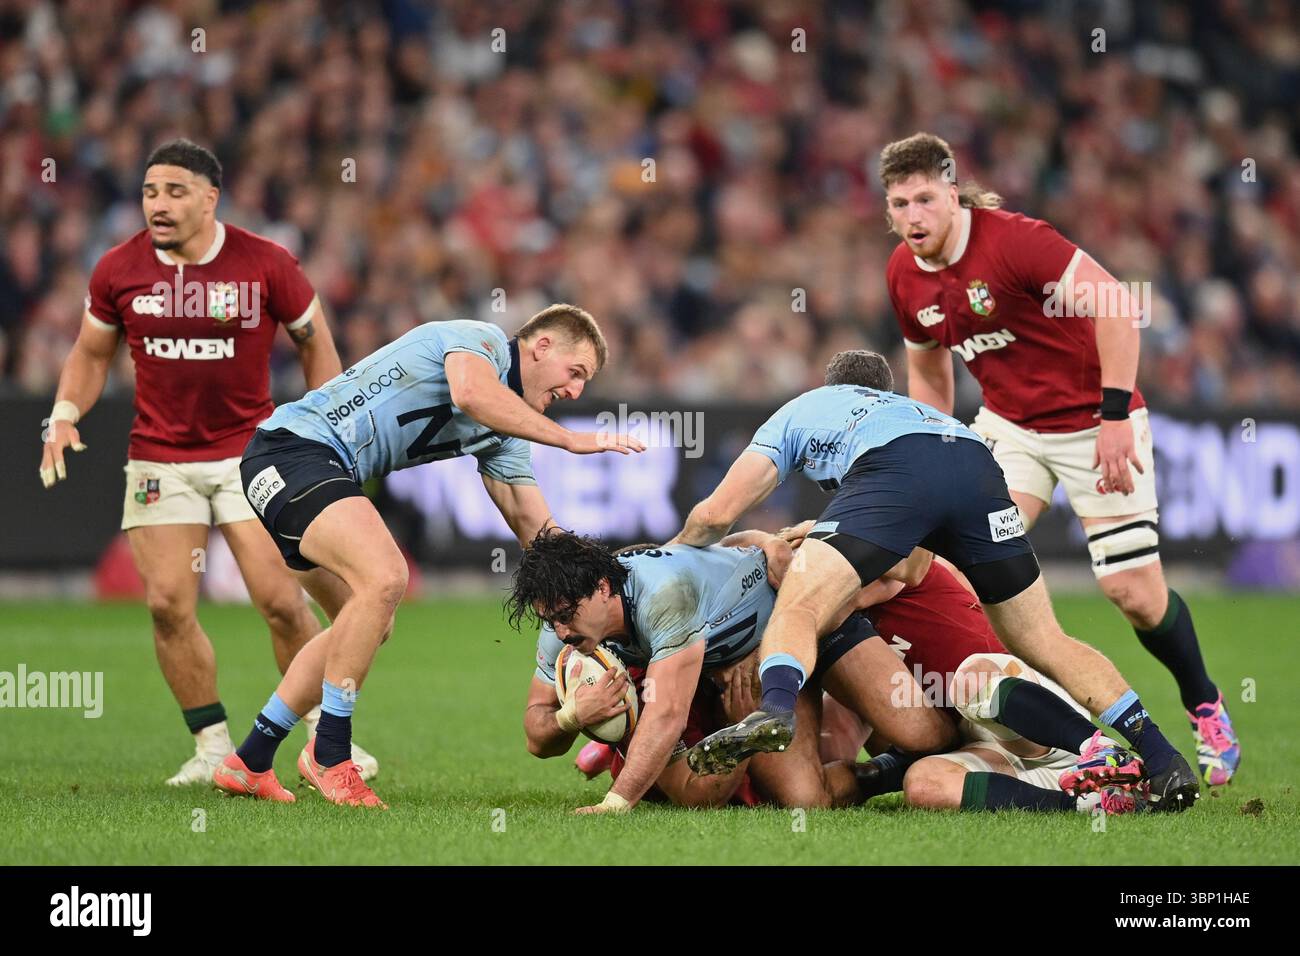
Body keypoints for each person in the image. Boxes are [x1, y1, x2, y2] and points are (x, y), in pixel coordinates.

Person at [673, 349, 1200, 811]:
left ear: (833, 390)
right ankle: (1154, 754)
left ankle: (775, 710)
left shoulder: (804, 412)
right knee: (1041, 640)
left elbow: (715, 514)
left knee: (799, 609)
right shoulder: (916, 414)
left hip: (995, 685)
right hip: (976, 460)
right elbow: (912, 561)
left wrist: (670, 556)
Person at [882, 131, 1238, 786]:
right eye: (900, 204)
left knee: (1131, 593)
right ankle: (1039, 735)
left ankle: (1204, 700)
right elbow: (929, 372)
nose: (913, 217)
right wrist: (933, 451)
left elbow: (1118, 309)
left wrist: (1112, 417)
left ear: (953, 195)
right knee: (968, 569)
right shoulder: (904, 274)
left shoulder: (1016, 242)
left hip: (1092, 419)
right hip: (1010, 428)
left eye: (925, 199)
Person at [36, 138, 381, 786]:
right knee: (167, 603)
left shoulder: (266, 263)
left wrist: (327, 427)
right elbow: (89, 355)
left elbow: (316, 343)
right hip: (159, 458)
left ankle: (325, 736)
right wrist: (62, 415)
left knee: (280, 600)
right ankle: (210, 744)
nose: (157, 205)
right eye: (148, 192)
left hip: (251, 455)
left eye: (173, 192)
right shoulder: (118, 270)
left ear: (209, 199)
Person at [213, 305, 643, 807]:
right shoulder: (478, 340)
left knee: (368, 618)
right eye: (576, 373)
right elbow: (471, 394)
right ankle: (330, 754)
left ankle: (250, 758)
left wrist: (598, 615)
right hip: (292, 453)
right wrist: (569, 440)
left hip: (301, 475)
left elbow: (541, 537)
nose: (575, 392)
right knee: (386, 577)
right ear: (541, 346)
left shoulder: (504, 436)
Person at [510, 531, 953, 813]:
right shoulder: (565, 629)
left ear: (602, 588)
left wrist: (616, 802)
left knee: (925, 735)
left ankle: (991, 737)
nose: (560, 631)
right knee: (805, 801)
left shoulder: (664, 596)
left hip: (807, 623)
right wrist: (571, 716)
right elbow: (535, 735)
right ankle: (890, 770)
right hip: (761, 674)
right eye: (550, 620)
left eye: (567, 615)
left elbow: (667, 715)